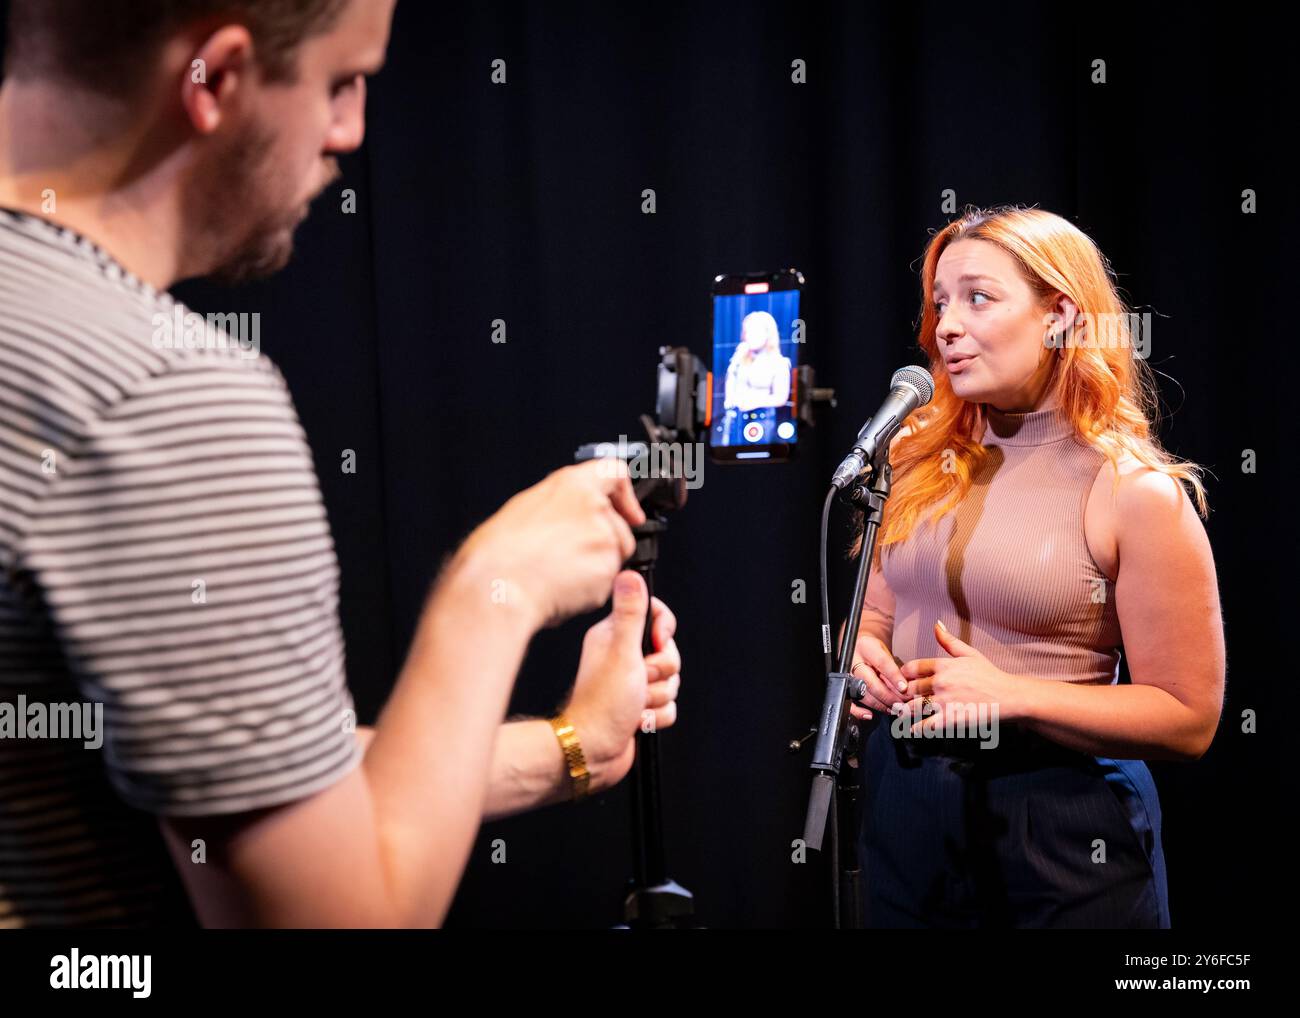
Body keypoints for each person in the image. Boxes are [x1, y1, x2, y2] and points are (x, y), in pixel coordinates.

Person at [0, 0, 681, 928]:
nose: (351, 132)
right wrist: (495, 591)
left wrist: (572, 747)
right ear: (218, 79)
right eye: (339, 81)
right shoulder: (168, 393)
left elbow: (246, 794)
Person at [846, 205, 1224, 928]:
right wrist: (864, 653)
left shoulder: (1132, 491)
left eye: (978, 298)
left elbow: (1189, 716)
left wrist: (1010, 695)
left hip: (1057, 820)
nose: (947, 325)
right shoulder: (915, 459)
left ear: (1059, 315)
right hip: (907, 800)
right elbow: (875, 617)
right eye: (940, 303)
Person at [720, 310, 791, 445]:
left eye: (754, 332)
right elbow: (730, 382)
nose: (748, 337)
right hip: (736, 419)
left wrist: (753, 402)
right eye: (747, 332)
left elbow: (781, 397)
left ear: (767, 334)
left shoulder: (779, 363)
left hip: (762, 421)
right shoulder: (740, 359)